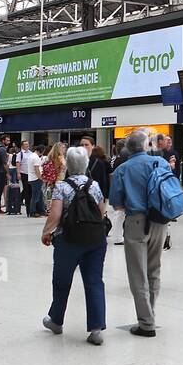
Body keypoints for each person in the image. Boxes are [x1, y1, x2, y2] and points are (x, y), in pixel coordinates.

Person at [41, 146, 108, 345]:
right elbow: (102, 212)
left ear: (68, 164)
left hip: (68, 240)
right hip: (95, 240)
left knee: (62, 281)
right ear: (86, 164)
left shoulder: (61, 186)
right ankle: (96, 329)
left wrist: (46, 232)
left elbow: (55, 214)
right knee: (94, 281)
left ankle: (56, 320)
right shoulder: (94, 185)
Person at [108, 130, 169, 337]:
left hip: (136, 221)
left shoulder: (122, 170)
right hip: (160, 220)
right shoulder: (160, 163)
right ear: (146, 146)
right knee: (154, 268)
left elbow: (116, 204)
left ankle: (146, 322)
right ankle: (150, 314)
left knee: (137, 273)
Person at [0, 135, 11, 214]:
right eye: (7, 140)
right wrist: (8, 173)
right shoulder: (2, 150)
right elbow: (5, 163)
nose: (8, 142)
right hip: (1, 172)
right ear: (3, 141)